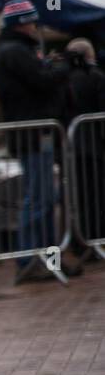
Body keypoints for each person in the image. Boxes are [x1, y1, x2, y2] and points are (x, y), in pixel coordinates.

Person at [0, 0, 77, 280]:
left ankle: (47, 259)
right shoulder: (15, 52)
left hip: (35, 130)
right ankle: (29, 260)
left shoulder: (15, 50)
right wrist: (62, 68)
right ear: (20, 24)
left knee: (44, 197)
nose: (35, 28)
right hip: (33, 131)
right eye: (31, 23)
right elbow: (41, 81)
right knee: (39, 198)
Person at [63, 38, 105, 251]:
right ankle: (94, 238)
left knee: (75, 194)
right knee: (94, 195)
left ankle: (79, 241)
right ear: (90, 55)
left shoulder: (63, 78)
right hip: (92, 144)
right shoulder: (95, 76)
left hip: (69, 146)